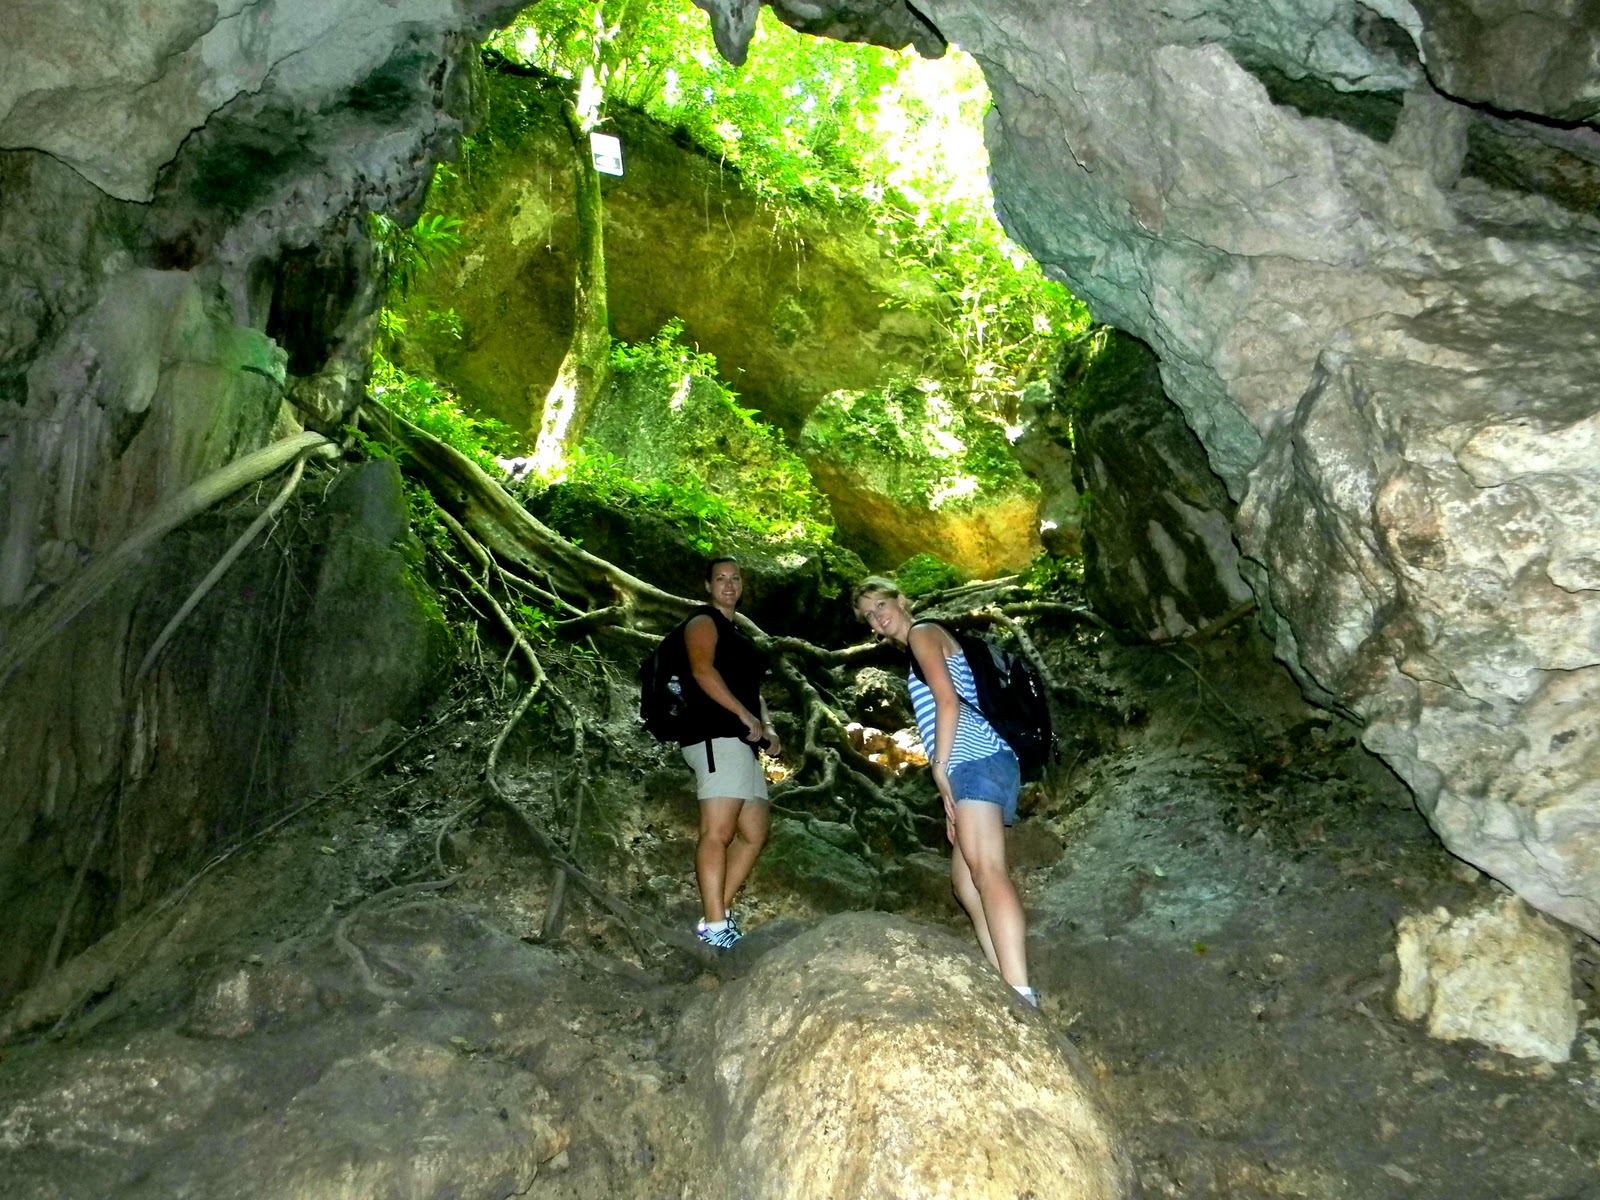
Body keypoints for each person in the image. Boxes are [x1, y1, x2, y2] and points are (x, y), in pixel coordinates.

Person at [852, 576, 1038, 1007]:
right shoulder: (925, 640)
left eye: (882, 605)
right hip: (977, 765)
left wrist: (939, 770)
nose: (878, 617)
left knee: (987, 870)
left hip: (976, 760)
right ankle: (1004, 983)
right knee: (965, 882)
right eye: (869, 615)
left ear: (900, 599)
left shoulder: (921, 634)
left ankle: (1020, 991)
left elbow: (948, 701)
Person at [682, 556, 781, 950]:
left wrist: (766, 727)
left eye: (735, 578)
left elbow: (752, 690)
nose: (728, 584)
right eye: (720, 578)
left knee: (754, 832)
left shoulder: (738, 635)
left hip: (739, 742)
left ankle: (716, 911)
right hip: (713, 734)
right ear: (707, 585)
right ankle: (715, 924)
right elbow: (702, 671)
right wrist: (741, 715)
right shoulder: (703, 622)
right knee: (718, 832)